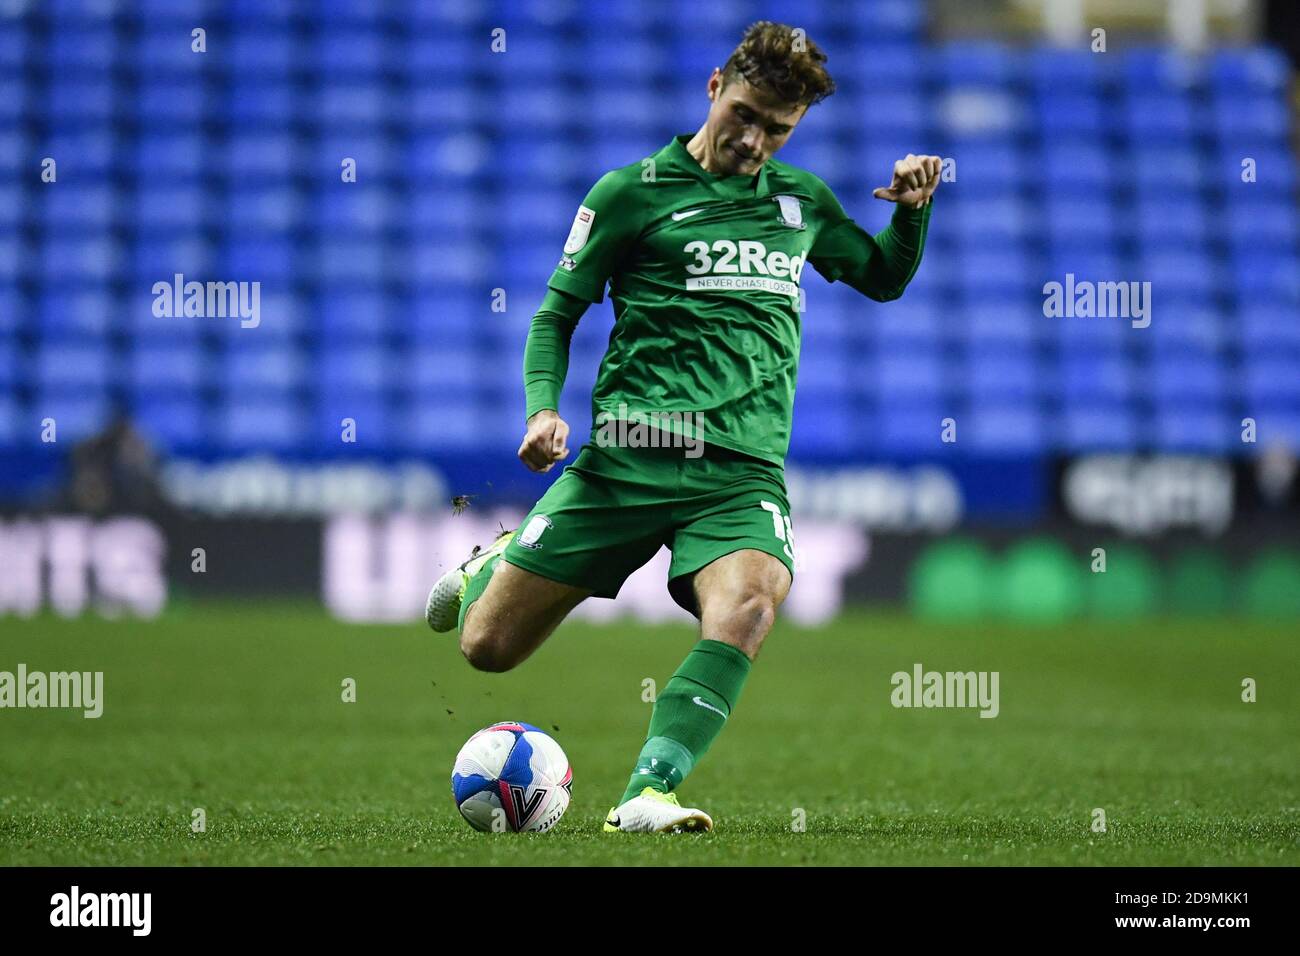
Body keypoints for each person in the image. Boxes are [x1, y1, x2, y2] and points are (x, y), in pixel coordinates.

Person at [427, 21, 941, 833]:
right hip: (628, 459)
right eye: (746, 114)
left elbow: (879, 278)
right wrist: (542, 408)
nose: (756, 139)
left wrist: (912, 215)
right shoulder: (628, 193)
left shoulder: (801, 201)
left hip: (740, 472)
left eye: (779, 128)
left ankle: (650, 790)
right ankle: (497, 553)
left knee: (752, 605)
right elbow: (556, 314)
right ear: (714, 87)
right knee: (487, 648)